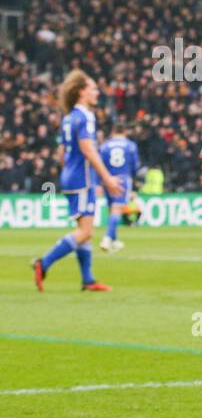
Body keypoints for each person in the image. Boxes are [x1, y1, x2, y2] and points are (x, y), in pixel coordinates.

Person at [31, 71, 122, 292]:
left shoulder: (69, 117)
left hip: (71, 177)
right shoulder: (85, 116)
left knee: (83, 228)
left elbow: (61, 153)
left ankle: (88, 279)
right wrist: (107, 177)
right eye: (92, 88)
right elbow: (88, 150)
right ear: (81, 92)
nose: (96, 91)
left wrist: (70, 172)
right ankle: (44, 262)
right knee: (86, 232)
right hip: (82, 179)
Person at [99, 123, 141, 253]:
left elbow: (100, 163)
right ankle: (106, 239)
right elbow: (135, 166)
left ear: (113, 131)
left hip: (108, 178)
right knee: (117, 210)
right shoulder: (130, 145)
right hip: (123, 178)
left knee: (112, 209)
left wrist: (100, 181)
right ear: (125, 132)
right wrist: (134, 181)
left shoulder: (104, 146)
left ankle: (114, 240)